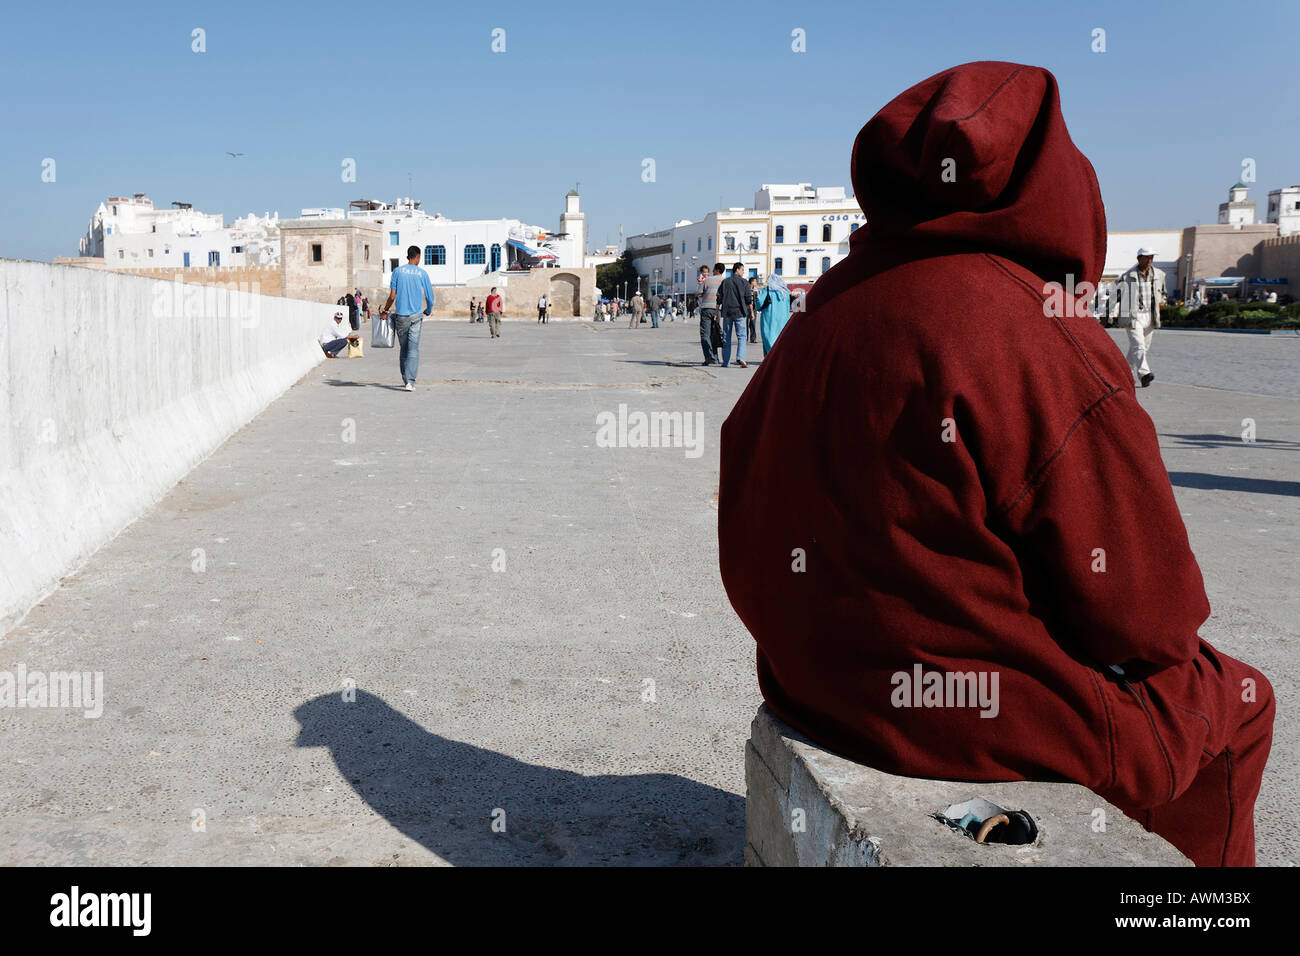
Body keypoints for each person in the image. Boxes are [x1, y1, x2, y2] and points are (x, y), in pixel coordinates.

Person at [718, 61, 1273, 868]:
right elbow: (1149, 618)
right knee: (1238, 701)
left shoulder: (823, 310)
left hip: (815, 681)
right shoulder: (1029, 325)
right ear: (1054, 181)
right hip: (958, 710)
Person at [379, 245, 435, 391]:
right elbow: (430, 297)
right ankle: (410, 381)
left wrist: (385, 310)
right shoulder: (422, 273)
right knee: (413, 349)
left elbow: (392, 296)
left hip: (401, 317)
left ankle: (405, 379)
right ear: (417, 257)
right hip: (416, 316)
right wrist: (428, 310)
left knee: (404, 349)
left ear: (407, 256)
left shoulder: (397, 271)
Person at [1115, 247, 1166, 387]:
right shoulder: (1127, 276)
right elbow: (1116, 295)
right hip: (1133, 315)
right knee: (1139, 345)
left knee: (1141, 347)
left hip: (1150, 315)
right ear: (1139, 259)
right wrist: (1108, 313)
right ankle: (1144, 374)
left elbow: (1163, 292)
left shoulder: (1160, 274)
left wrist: (1163, 301)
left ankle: (1123, 374)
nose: (1150, 260)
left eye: (1152, 257)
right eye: (1147, 257)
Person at [717, 262, 752, 368]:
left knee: (726, 337)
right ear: (737, 269)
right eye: (742, 270)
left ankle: (726, 361)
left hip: (727, 312)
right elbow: (748, 299)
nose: (743, 272)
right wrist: (751, 312)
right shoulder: (745, 282)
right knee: (742, 336)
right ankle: (741, 357)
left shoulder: (725, 282)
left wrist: (716, 312)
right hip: (740, 312)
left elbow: (719, 297)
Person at [754, 271, 791, 353]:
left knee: (768, 337)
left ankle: (769, 356)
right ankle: (779, 356)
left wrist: (758, 307)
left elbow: (759, 301)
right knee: (781, 338)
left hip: (769, 318)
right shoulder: (785, 292)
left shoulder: (767, 290)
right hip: (783, 319)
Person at [699, 265, 726, 365]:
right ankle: (715, 357)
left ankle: (709, 357)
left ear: (717, 270)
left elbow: (699, 292)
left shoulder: (707, 280)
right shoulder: (724, 281)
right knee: (715, 333)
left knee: (705, 334)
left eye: (714, 269)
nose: (712, 271)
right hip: (718, 310)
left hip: (706, 308)